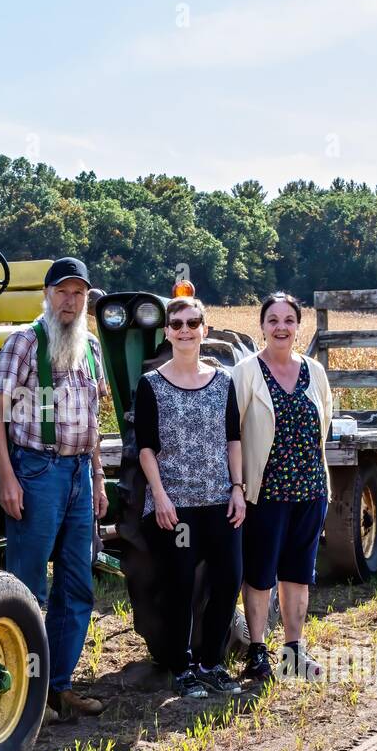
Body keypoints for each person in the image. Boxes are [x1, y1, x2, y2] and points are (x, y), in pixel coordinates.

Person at [0, 257, 110, 722]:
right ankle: (22, 697)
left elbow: (94, 420)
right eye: (63, 292)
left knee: (77, 588)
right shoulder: (22, 343)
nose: (71, 302)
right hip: (36, 474)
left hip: (79, 474)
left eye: (79, 294)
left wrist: (97, 478)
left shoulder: (91, 346)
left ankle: (57, 687)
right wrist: (7, 478)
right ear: (47, 293)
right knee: (28, 588)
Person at [133, 297, 246, 698]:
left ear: (205, 330)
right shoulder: (151, 385)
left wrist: (238, 488)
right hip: (175, 506)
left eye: (192, 323)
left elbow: (233, 439)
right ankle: (181, 667)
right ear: (167, 332)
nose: (184, 330)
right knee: (179, 584)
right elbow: (145, 447)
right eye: (177, 324)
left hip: (220, 500)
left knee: (228, 579)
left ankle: (212, 664)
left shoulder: (223, 382)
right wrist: (159, 497)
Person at [232, 292, 333, 684]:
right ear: (261, 326)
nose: (280, 327)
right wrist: (238, 485)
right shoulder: (246, 373)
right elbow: (234, 435)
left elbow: (323, 422)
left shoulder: (315, 372)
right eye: (272, 320)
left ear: (298, 326)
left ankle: (294, 650)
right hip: (265, 493)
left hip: (310, 490)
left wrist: (321, 483)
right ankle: (258, 652)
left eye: (288, 320)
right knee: (260, 574)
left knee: (298, 573)